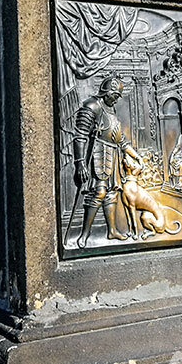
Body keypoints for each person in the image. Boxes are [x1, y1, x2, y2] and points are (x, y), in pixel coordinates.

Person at [72, 74, 140, 248]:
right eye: (115, 95)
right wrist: (79, 162)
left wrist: (135, 154)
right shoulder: (92, 106)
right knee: (99, 193)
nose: (116, 100)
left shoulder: (111, 110)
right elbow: (80, 135)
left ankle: (112, 231)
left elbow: (120, 139)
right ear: (106, 91)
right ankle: (84, 235)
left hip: (112, 154)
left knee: (111, 193)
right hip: (97, 154)